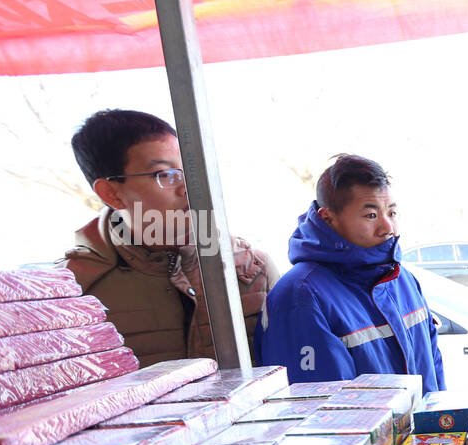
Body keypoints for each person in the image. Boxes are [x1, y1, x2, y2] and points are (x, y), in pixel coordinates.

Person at [64, 109, 277, 367]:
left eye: (191, 169)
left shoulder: (251, 268)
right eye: (164, 174)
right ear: (111, 193)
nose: (188, 187)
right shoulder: (75, 292)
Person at [255, 154, 445, 389]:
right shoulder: (300, 296)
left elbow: (434, 374)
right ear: (328, 217)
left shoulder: (402, 279)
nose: (388, 227)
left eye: (392, 213)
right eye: (371, 215)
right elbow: (319, 409)